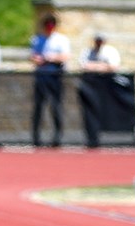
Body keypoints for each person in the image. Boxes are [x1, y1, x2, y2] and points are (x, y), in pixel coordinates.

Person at [29, 13, 70, 147]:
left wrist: (50, 58)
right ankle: (36, 137)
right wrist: (39, 59)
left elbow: (65, 56)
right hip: (41, 75)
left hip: (55, 75)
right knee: (38, 107)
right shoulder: (38, 39)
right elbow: (32, 56)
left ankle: (57, 137)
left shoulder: (61, 40)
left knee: (56, 106)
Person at [77, 33, 122, 148]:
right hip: (90, 83)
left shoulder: (110, 51)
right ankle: (92, 139)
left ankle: (108, 138)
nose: (99, 43)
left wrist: (95, 66)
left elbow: (113, 66)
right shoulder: (88, 52)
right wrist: (102, 66)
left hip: (106, 85)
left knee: (104, 110)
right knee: (90, 112)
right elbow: (83, 65)